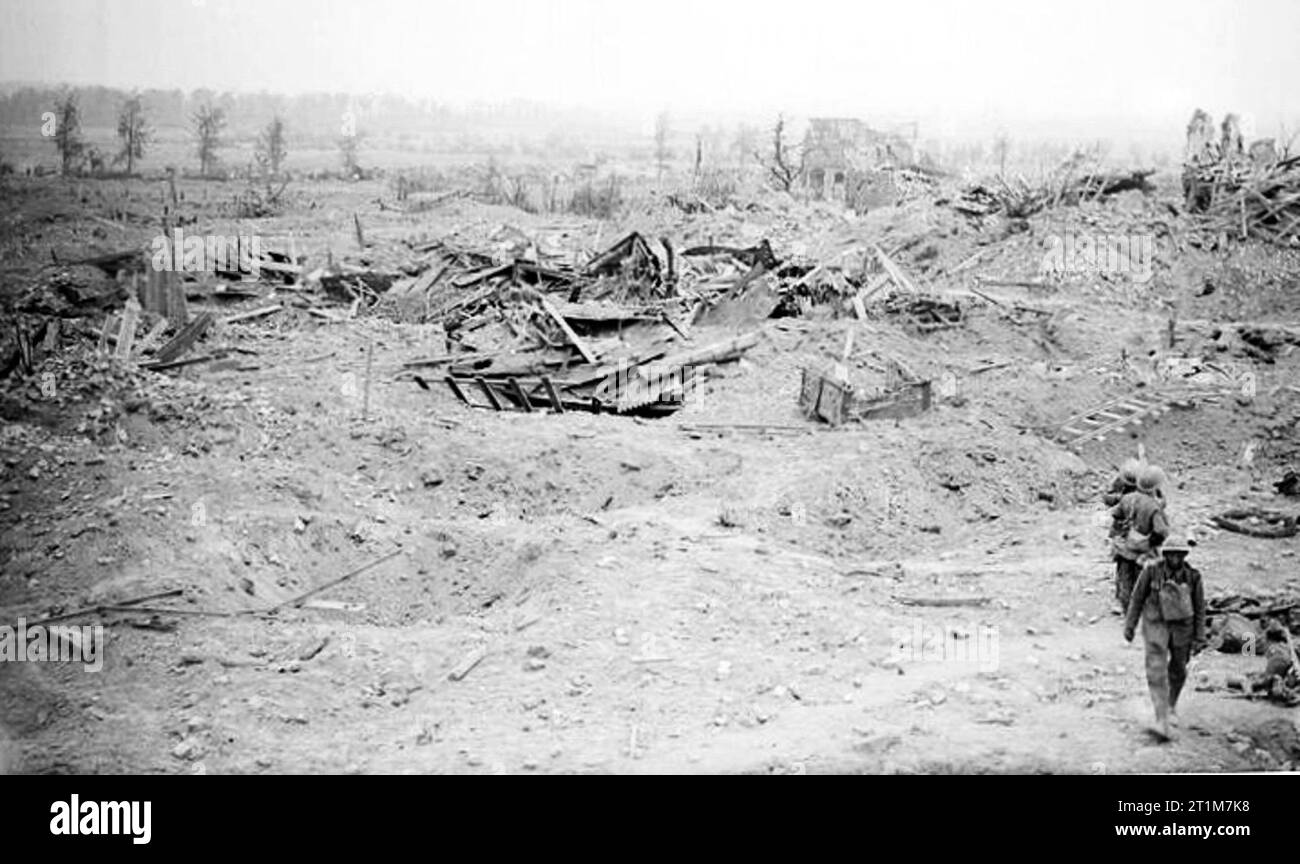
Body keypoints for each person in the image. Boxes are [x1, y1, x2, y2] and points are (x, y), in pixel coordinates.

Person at [1123, 534, 1207, 740]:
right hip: (1156, 625)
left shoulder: (1193, 576)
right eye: (1171, 554)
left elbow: (1200, 607)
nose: (1175, 558)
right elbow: (1137, 598)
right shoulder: (1151, 572)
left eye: (1179, 554)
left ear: (1184, 555)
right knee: (1156, 669)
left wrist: (1200, 636)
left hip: (1182, 630)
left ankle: (1171, 705)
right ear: (1165, 554)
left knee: (1178, 669)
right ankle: (1161, 718)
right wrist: (1130, 624)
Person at [1110, 465, 1170, 612]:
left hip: (1125, 546)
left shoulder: (1127, 498)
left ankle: (1123, 601)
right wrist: (1150, 543)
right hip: (1143, 549)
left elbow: (1117, 515)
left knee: (1124, 575)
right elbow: (1161, 531)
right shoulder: (1153, 507)